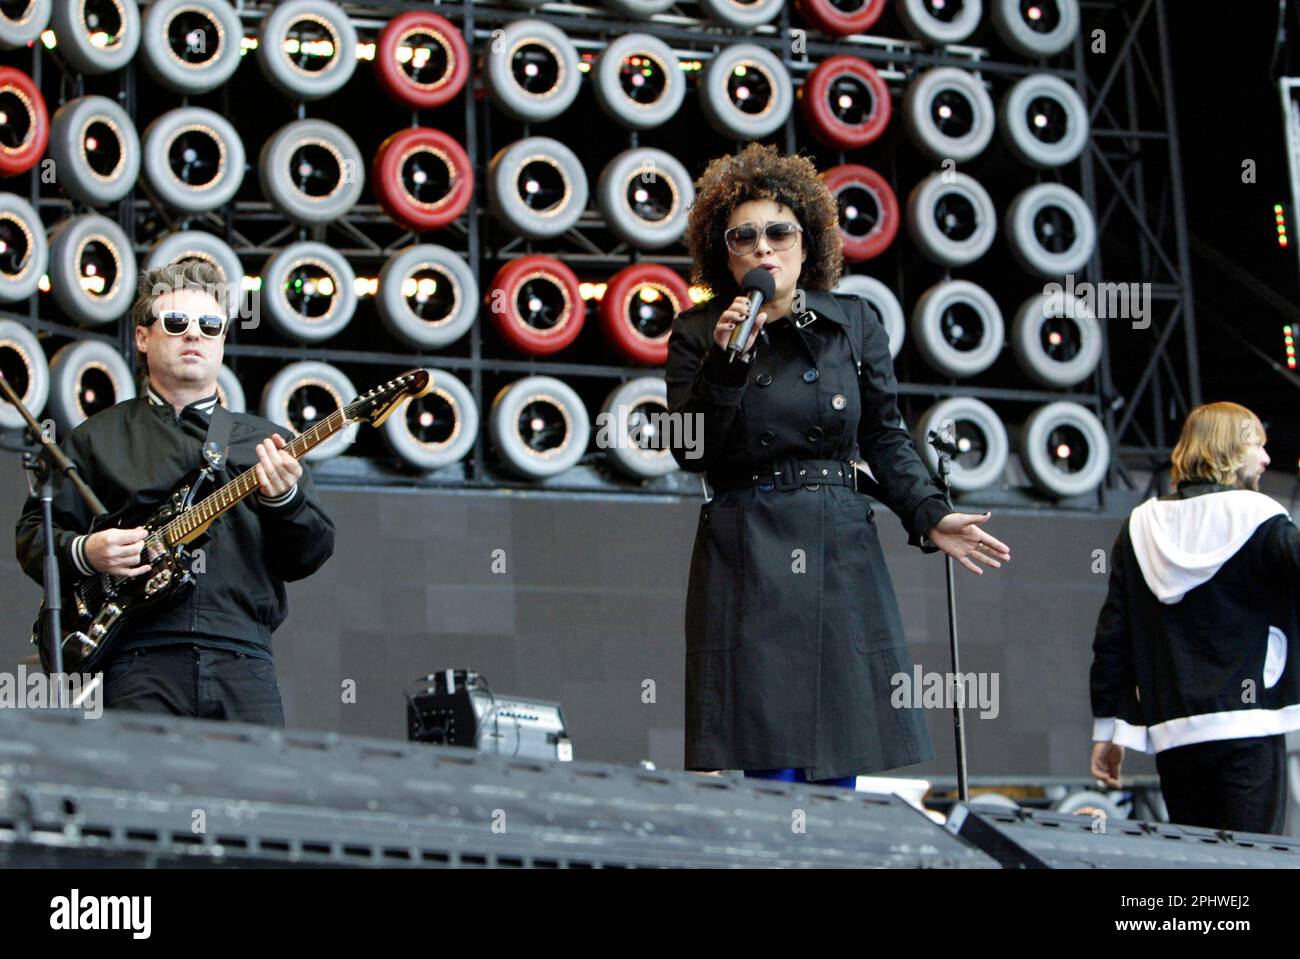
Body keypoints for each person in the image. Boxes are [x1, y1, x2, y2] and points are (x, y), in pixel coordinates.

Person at [665, 142, 1011, 787]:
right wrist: (727, 362)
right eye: (745, 236)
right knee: (771, 755)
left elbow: (884, 435)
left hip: (836, 538)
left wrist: (928, 512)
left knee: (840, 749)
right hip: (749, 546)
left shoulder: (853, 322)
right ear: (725, 251)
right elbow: (691, 450)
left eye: (779, 231)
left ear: (808, 241)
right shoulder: (695, 333)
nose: (764, 247)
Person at [15, 258, 334, 726]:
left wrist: (284, 501)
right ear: (143, 337)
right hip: (134, 659)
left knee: (258, 795)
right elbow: (32, 534)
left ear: (223, 339)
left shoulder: (268, 442)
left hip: (242, 659)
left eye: (209, 325)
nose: (194, 335)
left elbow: (309, 555)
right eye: (176, 322)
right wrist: (86, 551)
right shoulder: (95, 437)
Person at [1090, 401, 1300, 834]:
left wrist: (1108, 729)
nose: (1266, 458)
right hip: (1251, 726)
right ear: (1228, 448)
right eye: (1256, 445)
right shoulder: (1261, 517)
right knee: (1254, 867)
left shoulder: (1139, 526)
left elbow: (1113, 638)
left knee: (1196, 866)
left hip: (1176, 737)